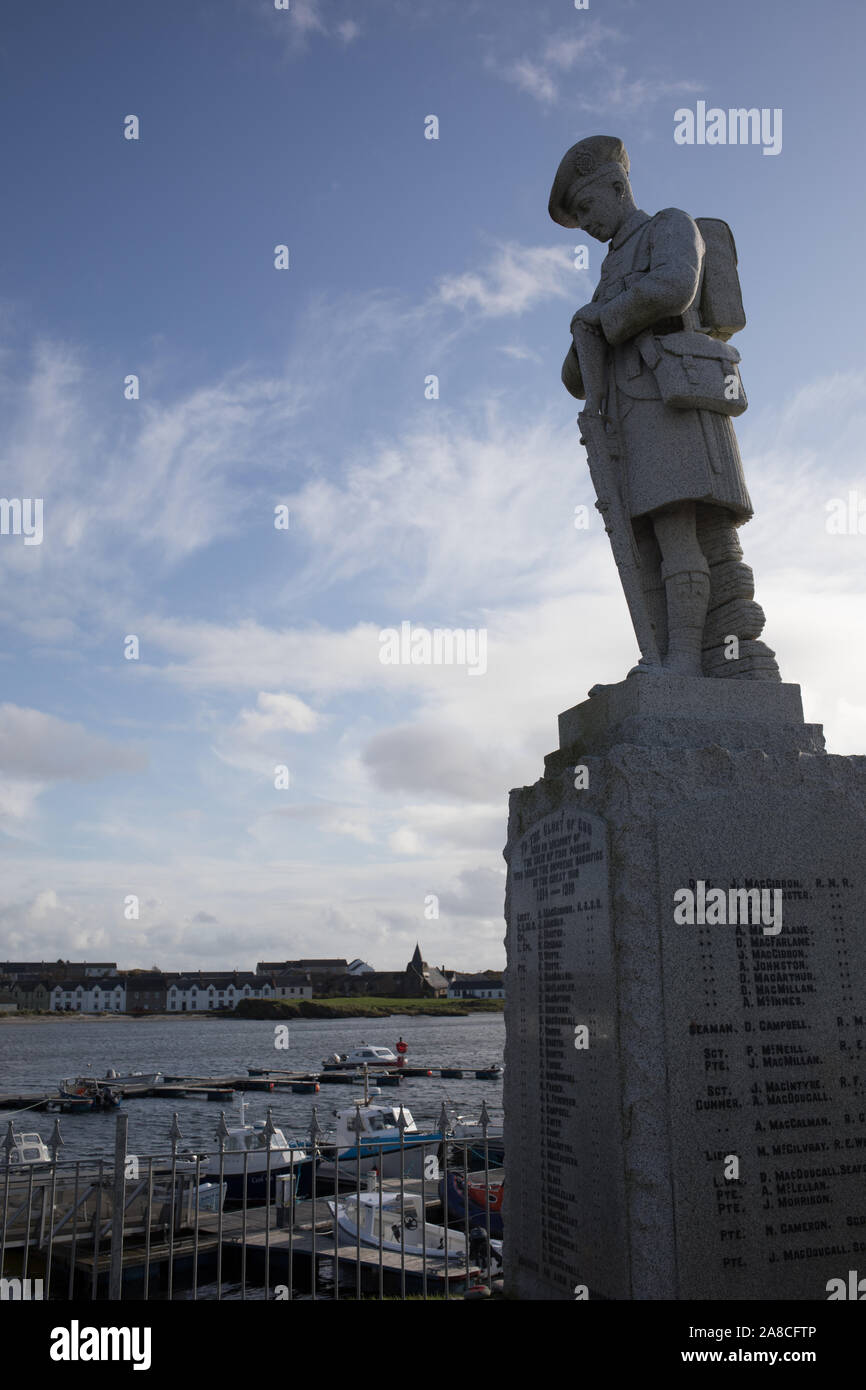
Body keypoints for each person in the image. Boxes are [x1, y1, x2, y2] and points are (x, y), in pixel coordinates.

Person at [549, 135, 777, 680]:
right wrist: (584, 334)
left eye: (586, 208)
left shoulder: (670, 226)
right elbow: (576, 374)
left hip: (676, 396)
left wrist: (600, 318)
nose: (586, 224)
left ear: (617, 186)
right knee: (652, 537)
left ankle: (683, 664)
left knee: (680, 529)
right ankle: (673, 656)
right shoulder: (608, 272)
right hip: (632, 417)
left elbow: (675, 287)